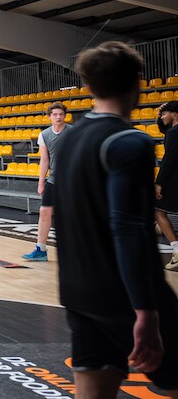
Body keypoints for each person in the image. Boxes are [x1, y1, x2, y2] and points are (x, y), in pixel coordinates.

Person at [54, 42, 178, 398]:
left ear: (89, 86)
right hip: (125, 295)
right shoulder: (130, 142)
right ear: (138, 82)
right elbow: (128, 230)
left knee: (94, 390)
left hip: (77, 291)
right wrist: (146, 310)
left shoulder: (71, 138)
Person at [23, 103, 69, 261]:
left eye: (61, 114)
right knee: (44, 212)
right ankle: (40, 250)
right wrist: (41, 183)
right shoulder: (44, 135)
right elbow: (44, 160)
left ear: (65, 115)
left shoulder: (73, 132)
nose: (58, 117)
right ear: (49, 116)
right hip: (54, 180)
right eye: (55, 114)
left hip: (71, 181)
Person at [156, 101, 178, 270]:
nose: (162, 117)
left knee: (158, 211)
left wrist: (159, 183)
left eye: (164, 114)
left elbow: (168, 161)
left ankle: (177, 251)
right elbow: (164, 129)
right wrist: (159, 113)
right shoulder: (171, 131)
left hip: (174, 179)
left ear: (174, 114)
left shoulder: (173, 133)